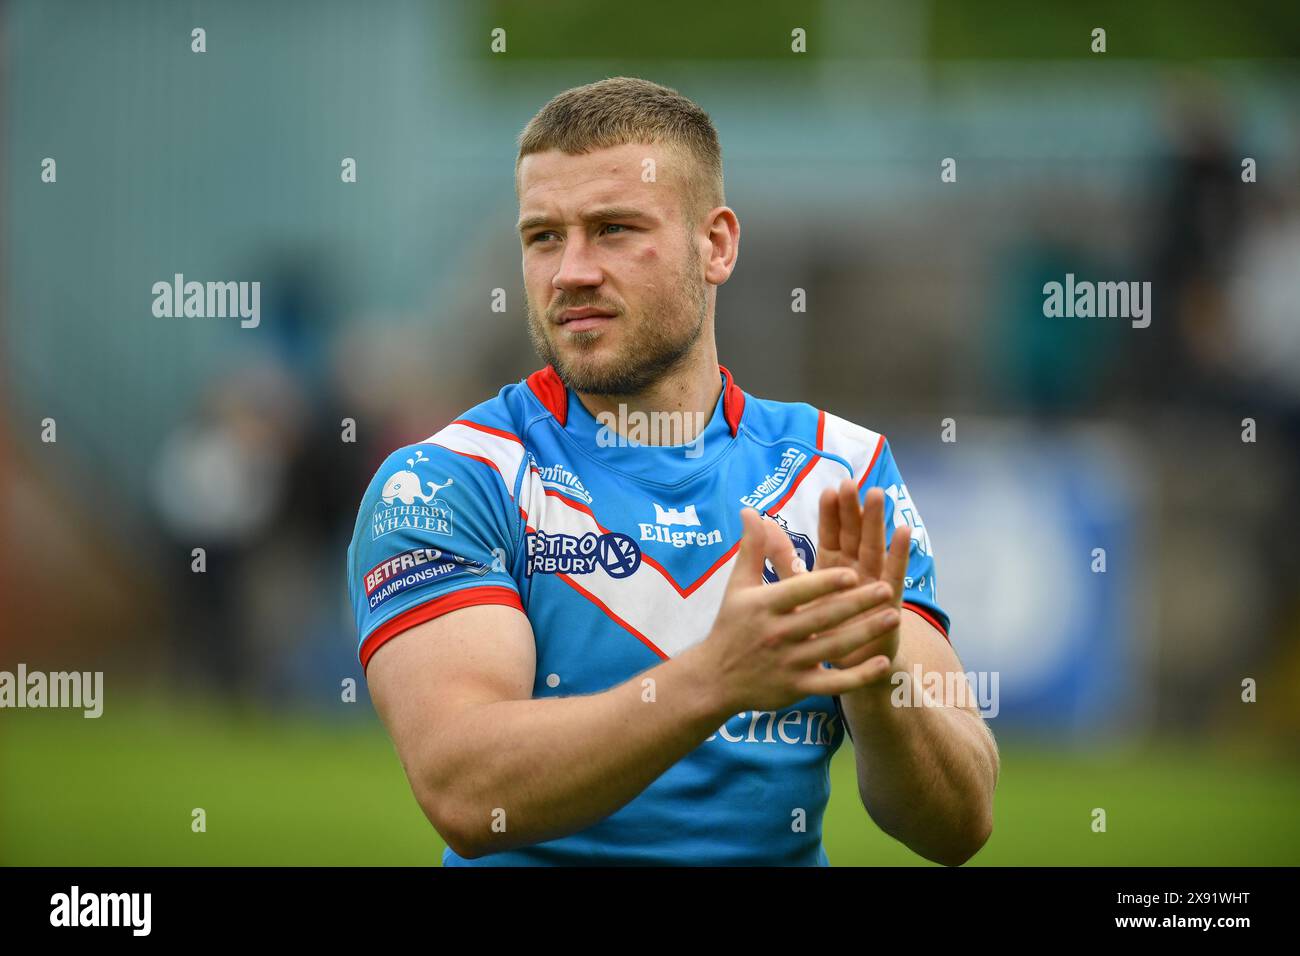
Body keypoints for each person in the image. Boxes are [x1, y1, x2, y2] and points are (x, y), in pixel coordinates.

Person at [346, 77, 997, 866]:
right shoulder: (452, 480)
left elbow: (960, 825)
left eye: (614, 229)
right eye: (543, 237)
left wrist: (877, 677)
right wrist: (717, 678)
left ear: (716, 244)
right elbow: (463, 787)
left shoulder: (841, 474)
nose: (570, 272)